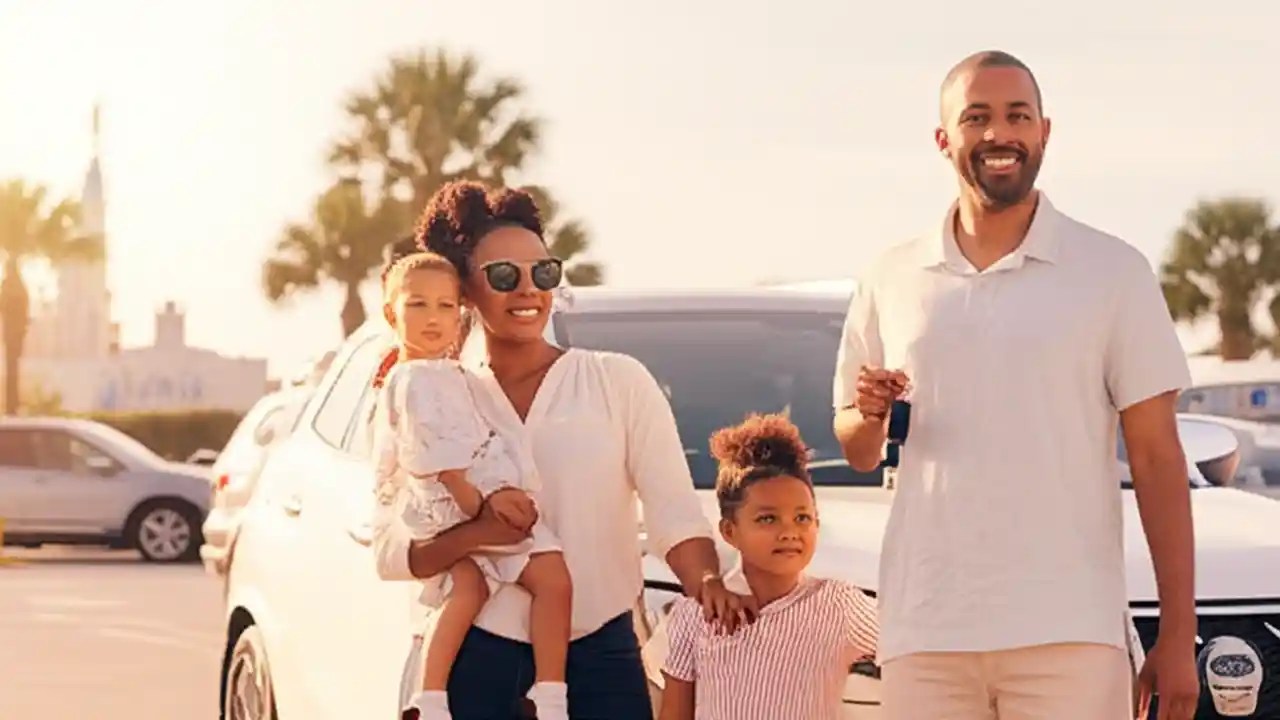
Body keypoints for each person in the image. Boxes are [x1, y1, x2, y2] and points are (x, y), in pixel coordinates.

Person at [832, 50, 1199, 719]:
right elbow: (857, 449)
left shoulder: (1112, 271)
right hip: (926, 631)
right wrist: (868, 413)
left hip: (1069, 633)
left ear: (1044, 132)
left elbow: (1156, 457)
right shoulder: (890, 274)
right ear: (945, 139)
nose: (999, 134)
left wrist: (1177, 634)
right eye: (977, 118)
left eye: (1016, 116)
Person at [372, 180, 757, 720]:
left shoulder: (616, 381)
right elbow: (395, 551)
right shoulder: (429, 398)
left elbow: (675, 514)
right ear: (465, 293)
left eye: (543, 272)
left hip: (601, 657)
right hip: (472, 659)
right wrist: (479, 533)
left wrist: (709, 583)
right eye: (503, 276)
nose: (528, 290)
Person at [371, 250, 573, 720]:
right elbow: (433, 454)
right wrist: (479, 508)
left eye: (446, 306)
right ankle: (436, 696)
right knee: (481, 587)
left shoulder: (456, 375)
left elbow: (493, 438)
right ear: (391, 314)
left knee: (530, 581)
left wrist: (512, 491)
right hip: (448, 507)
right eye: (417, 305)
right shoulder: (410, 379)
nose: (433, 318)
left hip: (480, 501)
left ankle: (543, 694)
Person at [658, 413, 879, 720]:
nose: (789, 531)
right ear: (729, 531)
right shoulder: (698, 613)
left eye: (802, 518)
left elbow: (914, 647)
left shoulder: (839, 605)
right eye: (767, 518)